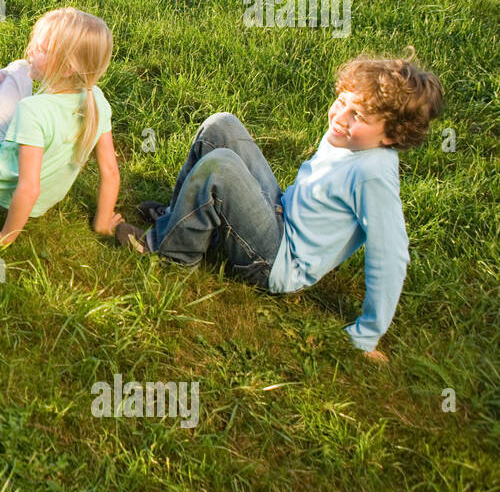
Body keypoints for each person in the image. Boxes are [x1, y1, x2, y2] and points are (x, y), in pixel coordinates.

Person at [120, 52, 444, 362]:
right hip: (280, 215)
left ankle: (170, 254)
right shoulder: (350, 139)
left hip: (278, 262)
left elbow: (391, 253)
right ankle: (180, 222)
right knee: (222, 127)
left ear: (391, 135)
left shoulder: (372, 174)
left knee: (222, 167)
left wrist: (367, 334)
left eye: (357, 115)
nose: (340, 118)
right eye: (342, 102)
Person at [0, 8, 126, 247]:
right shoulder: (97, 101)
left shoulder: (33, 110)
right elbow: (110, 172)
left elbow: (29, 187)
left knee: (17, 71)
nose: (32, 49)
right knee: (18, 82)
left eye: (42, 49)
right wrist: (103, 220)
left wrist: (5, 237)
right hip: (37, 208)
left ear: (67, 68)